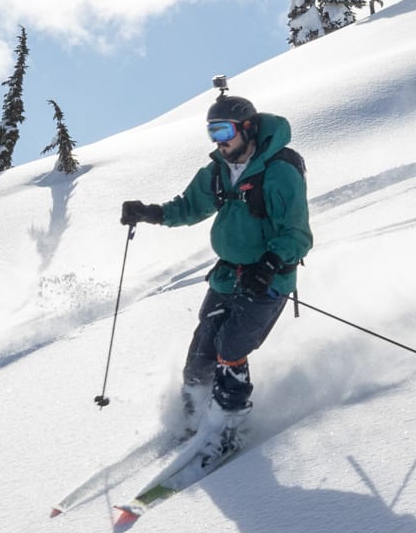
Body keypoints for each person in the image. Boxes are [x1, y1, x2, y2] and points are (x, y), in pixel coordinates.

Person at [120, 88, 313, 465]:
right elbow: (189, 207)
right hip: (227, 276)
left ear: (247, 128)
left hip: (268, 279)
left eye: (224, 132)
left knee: (231, 347)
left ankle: (228, 427)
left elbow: (298, 233)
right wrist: (149, 213)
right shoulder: (219, 171)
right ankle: (195, 418)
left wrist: (270, 264)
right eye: (212, 132)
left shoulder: (279, 171)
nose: (218, 142)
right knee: (201, 355)